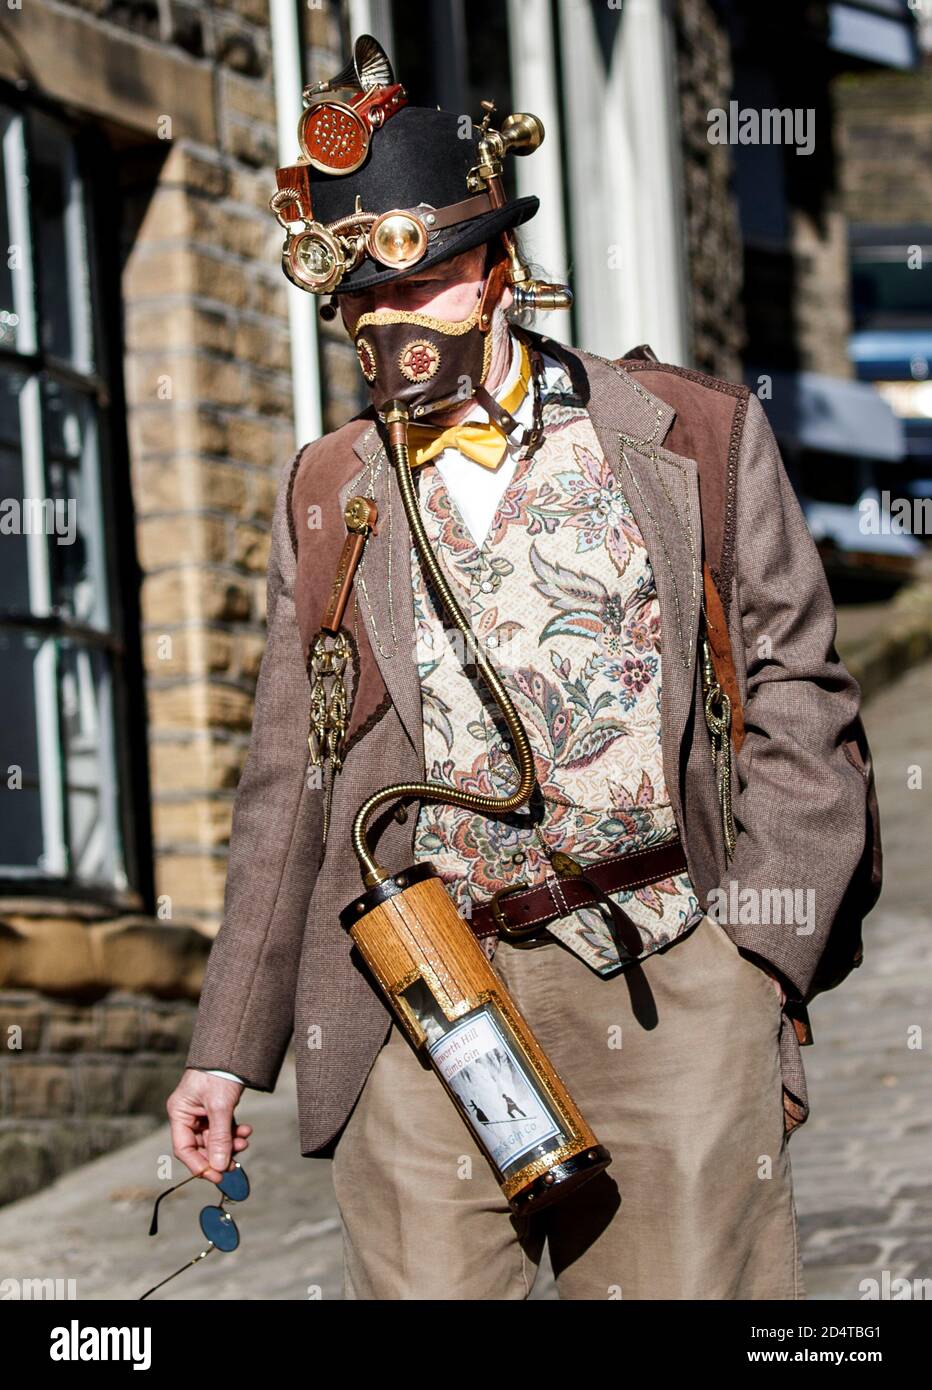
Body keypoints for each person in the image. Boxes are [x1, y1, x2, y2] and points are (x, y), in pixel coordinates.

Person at [166, 39, 874, 1300]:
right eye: (360, 305)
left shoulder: (688, 434)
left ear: (496, 272)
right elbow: (290, 780)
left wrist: (756, 959)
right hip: (425, 1004)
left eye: (420, 286)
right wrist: (225, 1050)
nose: (388, 326)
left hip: (669, 969)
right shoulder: (329, 490)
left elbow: (797, 692)